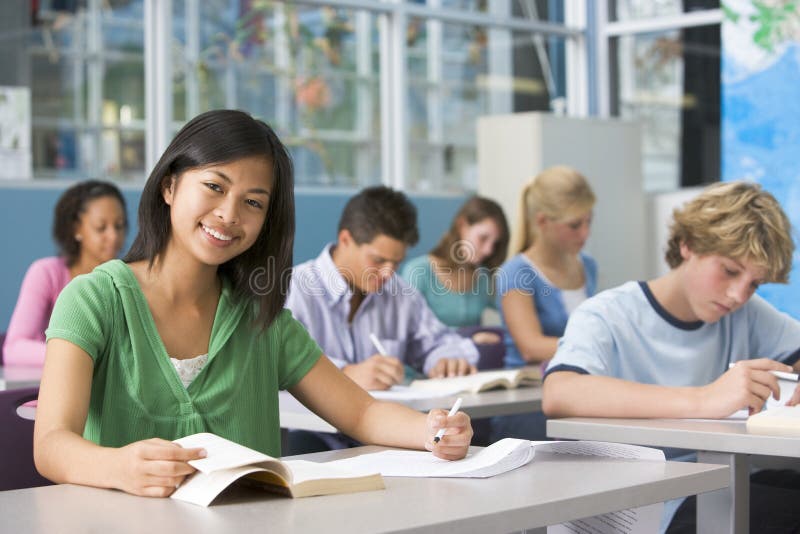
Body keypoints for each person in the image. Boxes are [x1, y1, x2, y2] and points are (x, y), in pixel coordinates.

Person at [33, 110, 472, 498]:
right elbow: (51, 442)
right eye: (213, 186)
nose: (229, 214)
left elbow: (362, 412)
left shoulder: (264, 320)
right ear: (169, 185)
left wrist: (432, 430)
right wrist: (116, 466)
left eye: (253, 202)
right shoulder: (93, 300)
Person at [542, 181, 800, 532]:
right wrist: (706, 399)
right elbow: (560, 393)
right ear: (688, 245)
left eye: (755, 283)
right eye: (729, 270)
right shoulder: (607, 314)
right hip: (645, 501)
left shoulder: (746, 313)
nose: (739, 294)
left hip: (724, 477)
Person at [286, 185, 479, 395]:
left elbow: (440, 342)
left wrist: (445, 360)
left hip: (383, 425)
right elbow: (276, 364)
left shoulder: (400, 295)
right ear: (345, 240)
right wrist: (344, 374)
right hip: (309, 427)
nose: (389, 273)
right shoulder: (293, 290)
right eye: (378, 260)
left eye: (397, 262)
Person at [489, 166, 597, 442]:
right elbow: (531, 347)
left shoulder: (588, 266)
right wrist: (599, 346)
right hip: (529, 410)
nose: (584, 233)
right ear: (542, 221)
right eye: (574, 225)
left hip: (579, 396)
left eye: (589, 221)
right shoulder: (516, 273)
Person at [3, 180, 127, 366]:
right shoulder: (46, 273)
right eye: (101, 228)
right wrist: (80, 356)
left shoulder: (129, 279)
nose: (114, 236)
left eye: (119, 226)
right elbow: (13, 349)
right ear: (76, 229)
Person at [400, 196, 509, 345]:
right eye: (483, 238)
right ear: (462, 226)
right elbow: (410, 332)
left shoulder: (483, 277)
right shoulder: (418, 271)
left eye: (494, 243)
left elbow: (510, 308)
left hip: (473, 365)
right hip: (428, 365)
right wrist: (467, 339)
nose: (489, 250)